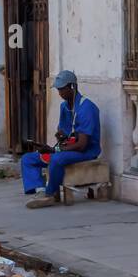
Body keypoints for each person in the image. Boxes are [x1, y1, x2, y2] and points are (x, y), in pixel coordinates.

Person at [21, 69, 101, 209]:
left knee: (56, 159)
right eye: (58, 89)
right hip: (68, 148)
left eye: (62, 89)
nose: (59, 93)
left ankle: (49, 194)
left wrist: (54, 150)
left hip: (86, 151)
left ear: (72, 87)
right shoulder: (64, 106)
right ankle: (40, 191)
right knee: (28, 159)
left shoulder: (87, 108)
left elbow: (82, 145)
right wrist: (60, 137)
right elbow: (64, 133)